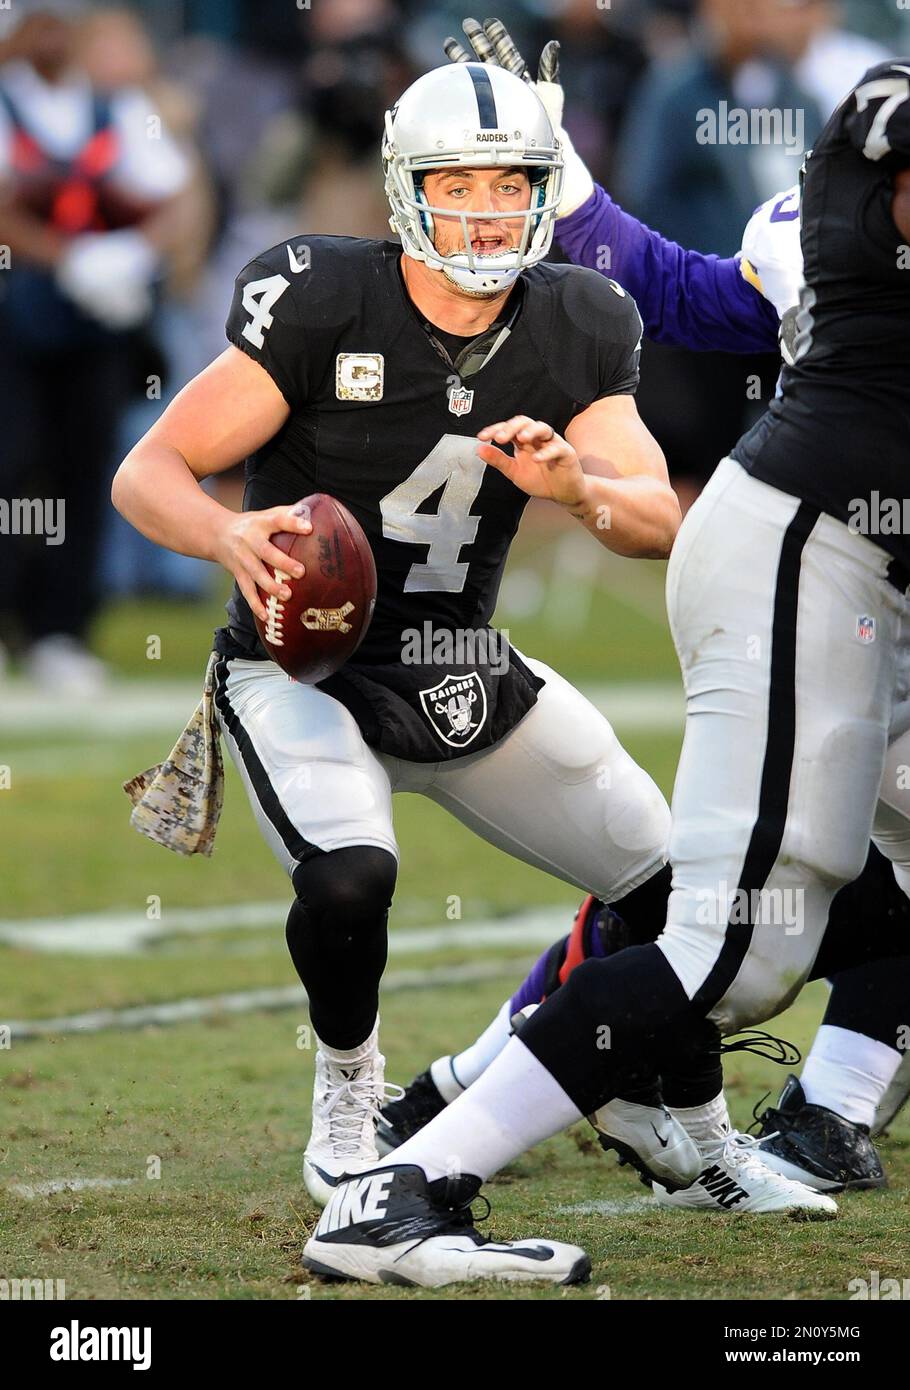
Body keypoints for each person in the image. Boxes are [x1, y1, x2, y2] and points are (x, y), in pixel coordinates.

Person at [302, 53, 910, 1286]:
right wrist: (577, 208)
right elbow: (701, 288)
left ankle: (822, 1111)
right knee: (731, 943)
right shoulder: (871, 140)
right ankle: (410, 1174)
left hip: (854, 567)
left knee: (849, 922)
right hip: (810, 550)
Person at [112, 59, 701, 1251]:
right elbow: (147, 472)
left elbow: (658, 520)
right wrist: (229, 532)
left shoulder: (578, 316)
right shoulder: (325, 298)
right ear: (403, 189)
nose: (485, 211)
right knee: (348, 878)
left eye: (509, 185)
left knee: (676, 889)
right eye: (457, 185)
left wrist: (579, 489)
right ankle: (347, 1079)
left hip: (458, 660)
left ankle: (628, 1091)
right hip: (302, 667)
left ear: (544, 194)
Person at [0, 1, 191, 690]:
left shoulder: (116, 106)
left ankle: (62, 627)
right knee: (12, 463)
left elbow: (169, 191)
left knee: (86, 468)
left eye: (61, 23)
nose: (49, 38)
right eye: (37, 23)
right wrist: (66, 258)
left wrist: (129, 254)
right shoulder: (7, 102)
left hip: (99, 318)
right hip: (16, 318)